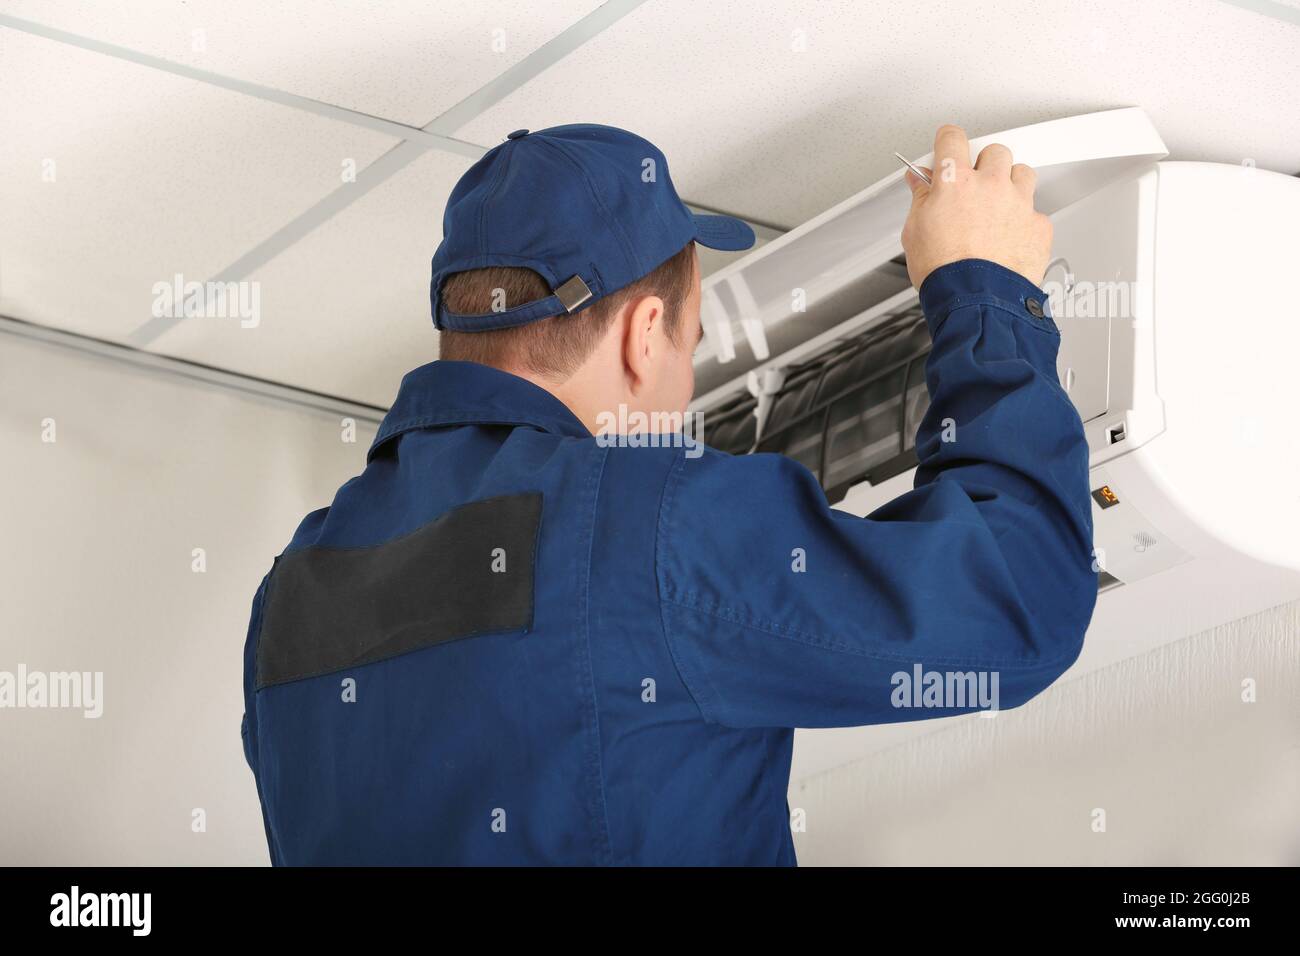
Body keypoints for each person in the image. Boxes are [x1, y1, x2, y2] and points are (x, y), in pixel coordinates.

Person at [240, 123, 1096, 865]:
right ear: (645, 337)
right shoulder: (643, 521)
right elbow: (1017, 603)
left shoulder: (291, 600)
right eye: (691, 343)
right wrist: (985, 291)